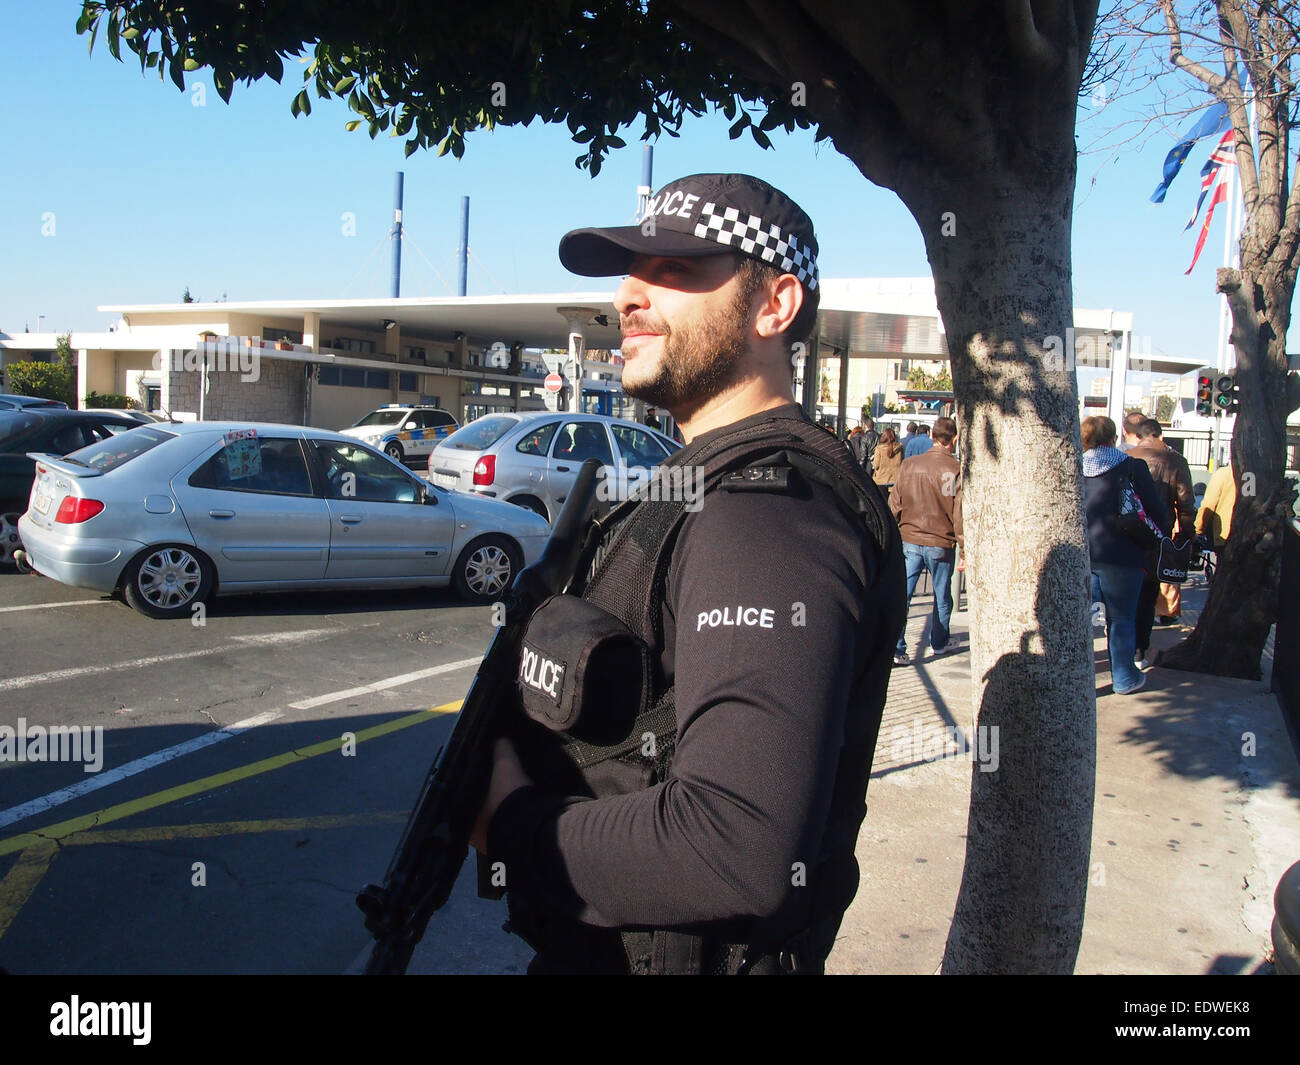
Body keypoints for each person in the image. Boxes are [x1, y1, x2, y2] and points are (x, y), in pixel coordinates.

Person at [470, 172, 905, 975]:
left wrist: (513, 826)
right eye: (631, 269)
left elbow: (737, 844)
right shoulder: (707, 484)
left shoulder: (766, 515)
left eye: (674, 269)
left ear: (774, 305)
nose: (629, 295)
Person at [1082, 415, 1167, 695]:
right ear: (1114, 437)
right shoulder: (1132, 467)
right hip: (1125, 555)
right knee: (1121, 620)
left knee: (1086, 620)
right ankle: (1124, 677)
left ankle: (1081, 680)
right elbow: (1155, 511)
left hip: (1085, 555)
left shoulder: (1074, 468)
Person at [889, 416, 963, 665]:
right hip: (941, 540)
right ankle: (939, 642)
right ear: (954, 440)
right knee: (942, 596)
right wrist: (965, 545)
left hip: (910, 536)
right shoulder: (953, 470)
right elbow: (958, 511)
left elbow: (895, 503)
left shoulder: (909, 465)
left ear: (931, 435)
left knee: (903, 596)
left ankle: (897, 648)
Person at [1127, 418, 1196, 663]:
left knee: (1124, 593)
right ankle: (1139, 650)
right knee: (1148, 593)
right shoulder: (1175, 461)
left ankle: (1122, 650)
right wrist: (1186, 535)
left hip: (1126, 535)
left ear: (1138, 435)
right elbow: (1186, 504)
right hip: (1159, 535)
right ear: (1160, 435)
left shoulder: (1128, 457)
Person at [1195, 462, 1236, 550]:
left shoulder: (1222, 474)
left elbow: (1209, 505)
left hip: (1224, 535)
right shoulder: (1251, 476)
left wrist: (1198, 529)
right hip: (1246, 533)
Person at [872, 427, 904, 495]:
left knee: (882, 502)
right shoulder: (900, 448)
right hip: (895, 479)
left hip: (881, 480)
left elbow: (876, 465)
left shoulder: (879, 449)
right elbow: (902, 462)